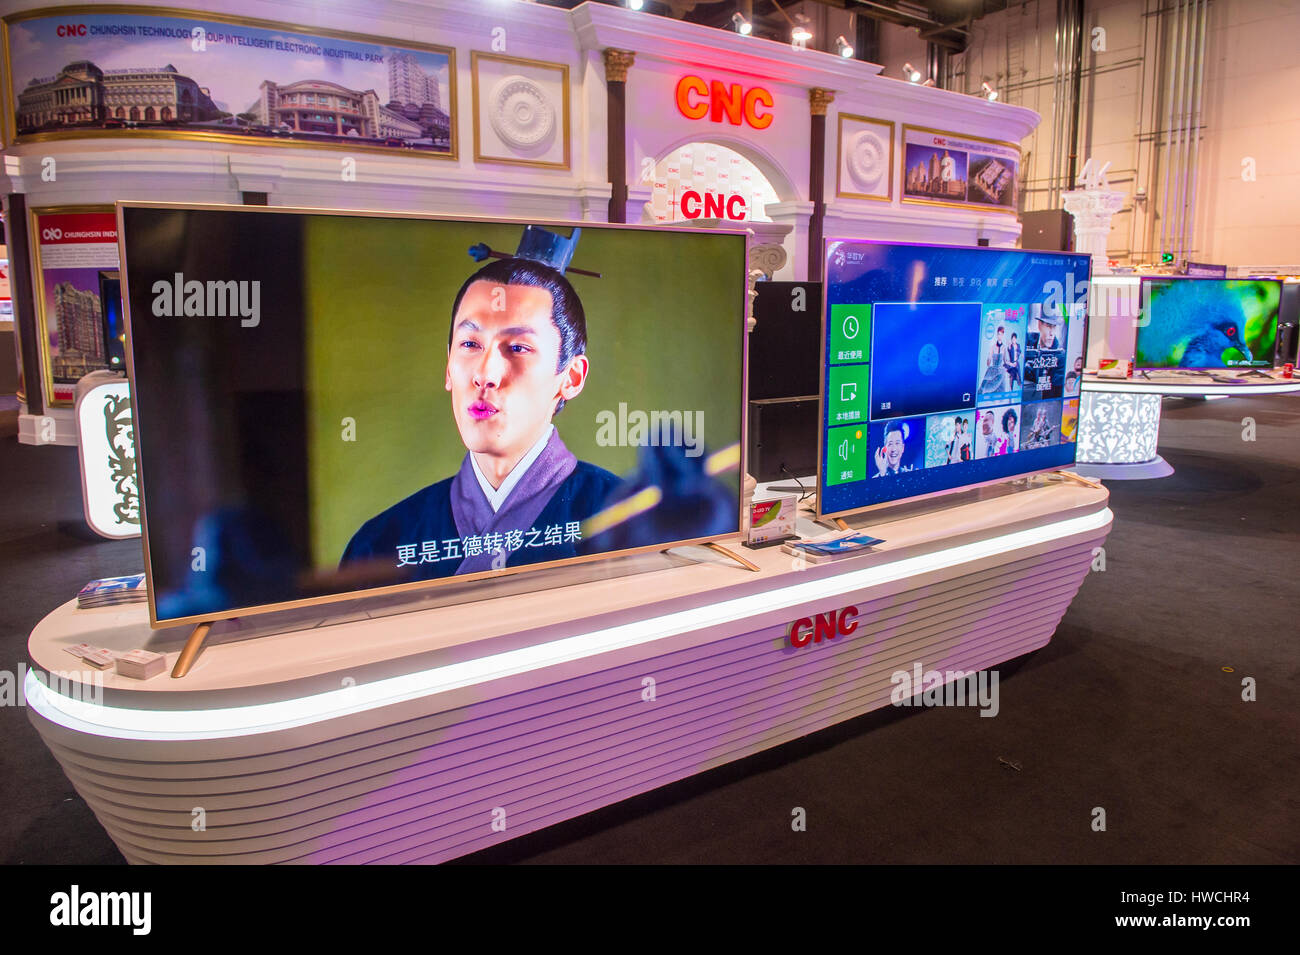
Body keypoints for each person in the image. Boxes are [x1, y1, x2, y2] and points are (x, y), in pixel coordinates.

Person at [341, 255, 621, 579]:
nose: (485, 374)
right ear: (448, 367)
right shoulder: (380, 545)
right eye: (471, 343)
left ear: (571, 377)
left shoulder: (629, 524)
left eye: (517, 348)